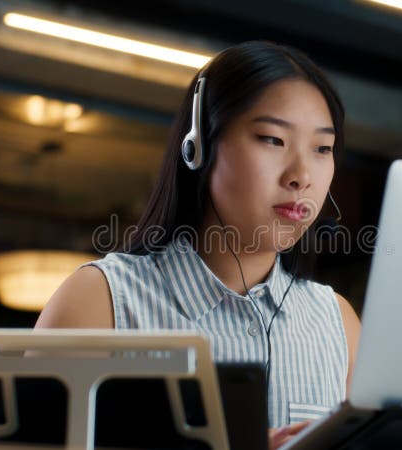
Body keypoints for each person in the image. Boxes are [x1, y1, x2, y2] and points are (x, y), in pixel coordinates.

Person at [35, 40, 361, 449]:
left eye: (322, 149)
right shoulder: (100, 300)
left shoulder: (338, 325)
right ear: (198, 148)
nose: (301, 176)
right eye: (272, 139)